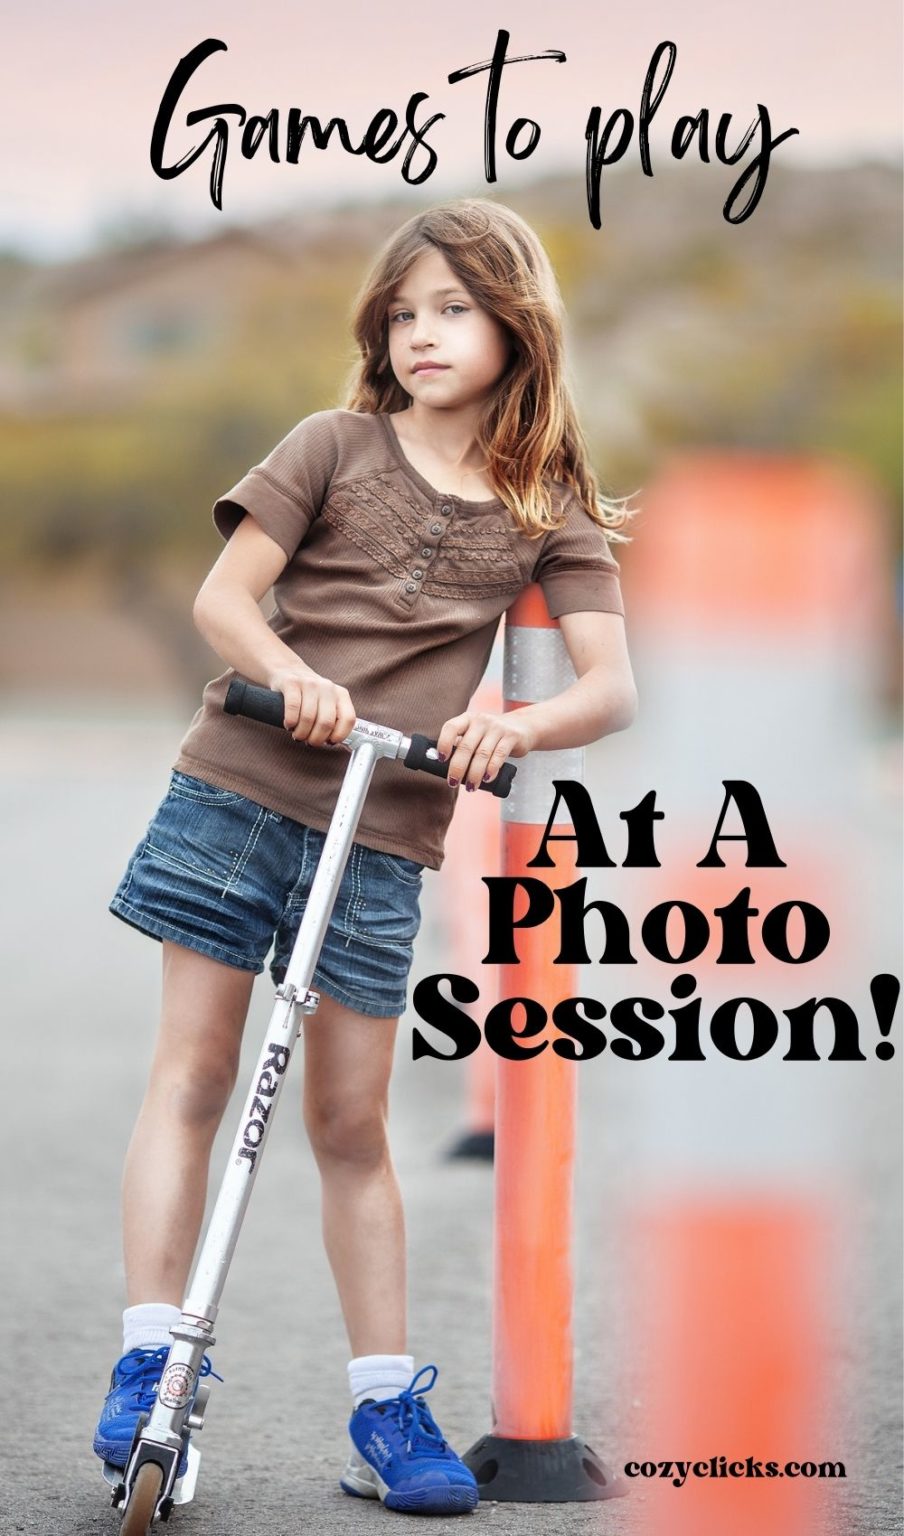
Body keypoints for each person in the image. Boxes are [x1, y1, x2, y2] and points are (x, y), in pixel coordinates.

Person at [92, 197, 638, 1516]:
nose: (422, 334)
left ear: (517, 326)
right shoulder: (331, 445)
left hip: (386, 829)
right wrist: (293, 675)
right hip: (241, 788)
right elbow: (225, 598)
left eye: (453, 309)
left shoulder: (544, 501)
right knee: (196, 1074)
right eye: (402, 314)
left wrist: (513, 723)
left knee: (349, 1119)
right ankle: (150, 1359)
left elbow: (611, 687)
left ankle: (385, 1401)